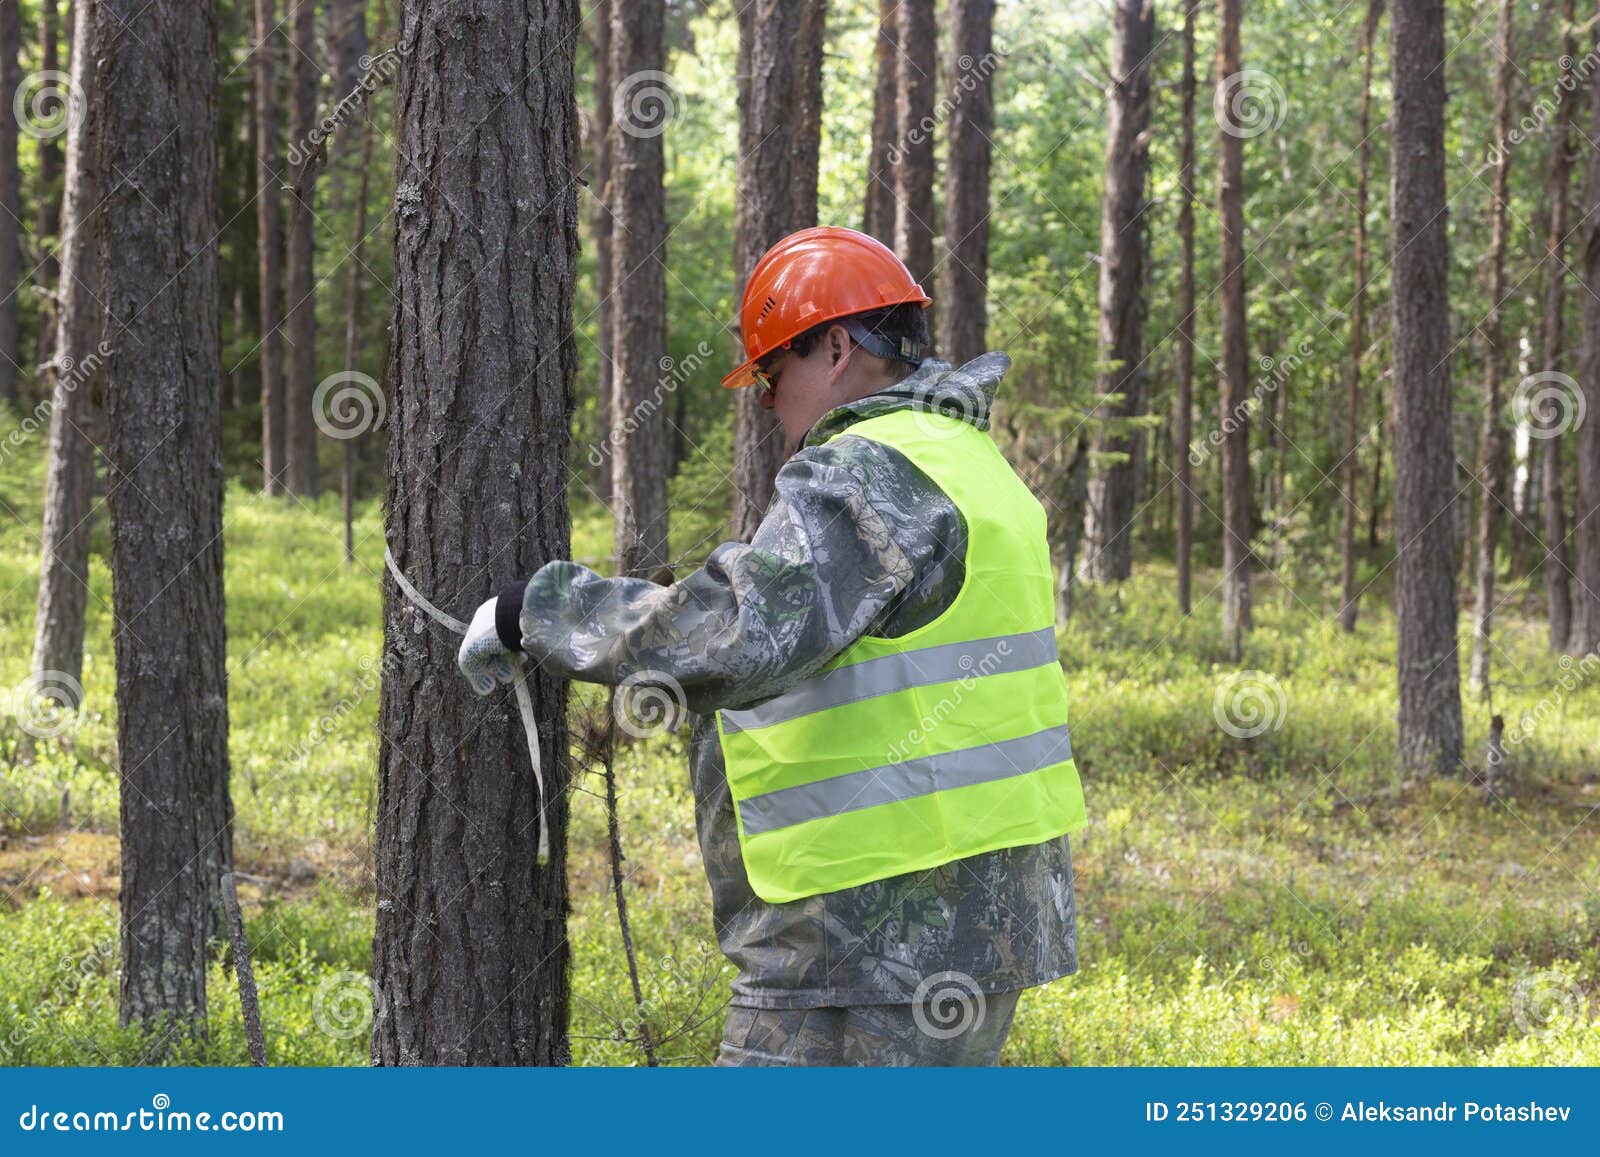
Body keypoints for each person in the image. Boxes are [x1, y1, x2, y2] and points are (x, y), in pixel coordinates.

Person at [457, 225, 1087, 1066]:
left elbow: (742, 630)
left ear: (835, 346)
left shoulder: (870, 468)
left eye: (770, 370)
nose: (762, 399)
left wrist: (539, 613)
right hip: (977, 919)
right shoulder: (973, 461)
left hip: (867, 936)